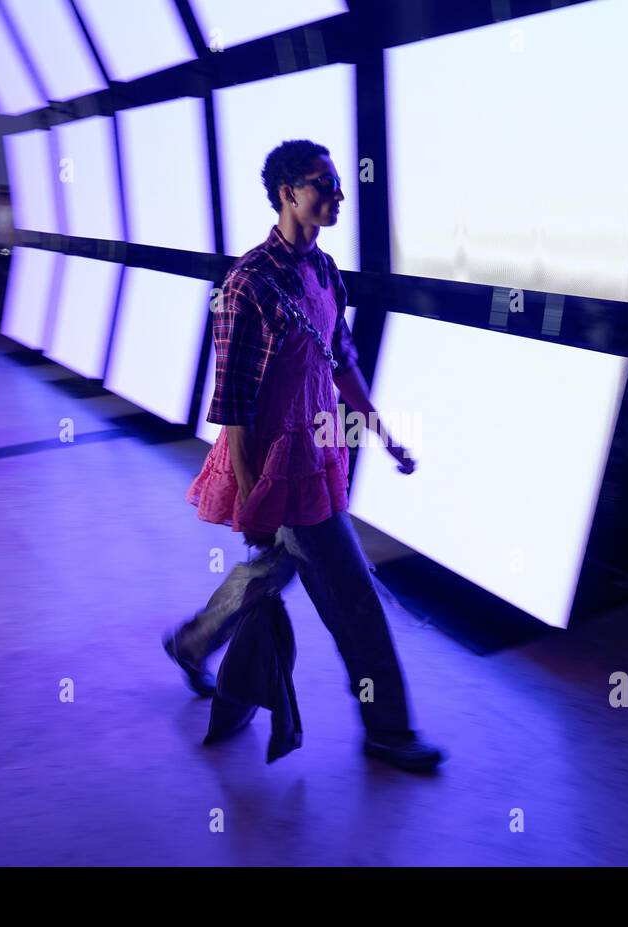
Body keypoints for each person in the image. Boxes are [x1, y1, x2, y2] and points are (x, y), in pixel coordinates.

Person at [164, 140, 446, 773]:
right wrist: (251, 500)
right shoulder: (246, 284)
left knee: (276, 571)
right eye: (325, 184)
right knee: (356, 600)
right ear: (288, 192)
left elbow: (340, 359)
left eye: (339, 183)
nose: (338, 195)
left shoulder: (323, 271)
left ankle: (191, 643)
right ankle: (389, 731)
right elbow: (232, 407)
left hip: (319, 452)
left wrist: (383, 434)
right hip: (273, 465)